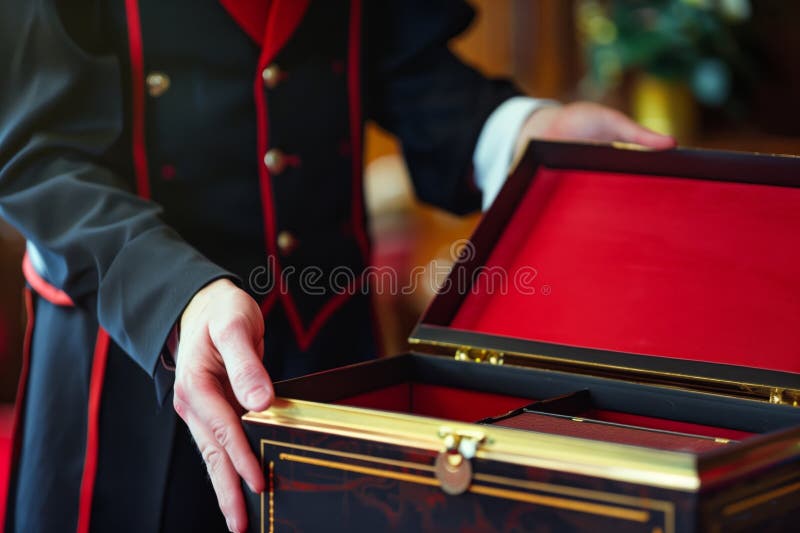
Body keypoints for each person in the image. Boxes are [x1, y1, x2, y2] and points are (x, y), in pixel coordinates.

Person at [0, 1, 673, 532]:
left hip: (334, 351)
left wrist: (521, 132)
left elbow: (399, 62)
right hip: (123, 360)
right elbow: (35, 152)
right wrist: (176, 296)